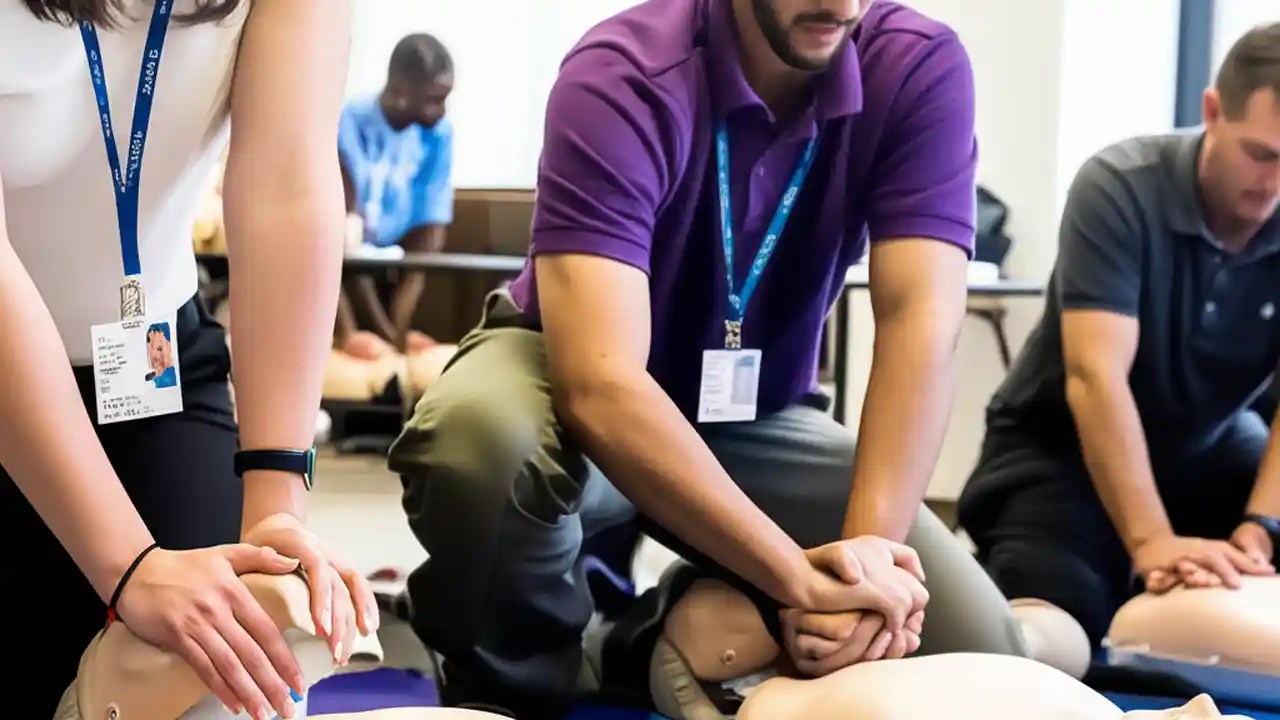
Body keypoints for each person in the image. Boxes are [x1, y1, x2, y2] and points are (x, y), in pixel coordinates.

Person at [388, 0, 1023, 716]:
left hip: (755, 413)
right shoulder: (624, 71)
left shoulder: (916, 65)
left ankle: (645, 633)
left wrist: (862, 569)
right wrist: (794, 580)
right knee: (479, 446)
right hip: (569, 370)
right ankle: (529, 679)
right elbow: (599, 385)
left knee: (982, 653)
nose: (841, 5)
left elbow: (921, 321)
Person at [0, 0, 376, 717]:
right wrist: (129, 567)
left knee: (226, 670)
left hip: (153, 364)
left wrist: (276, 515)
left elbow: (287, 185)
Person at [957, 22, 1280, 652]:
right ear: (1212, 112)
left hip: (1207, 452)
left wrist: (1261, 527)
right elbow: (1094, 379)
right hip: (1060, 451)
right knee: (1062, 623)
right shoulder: (1120, 185)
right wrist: (1151, 542)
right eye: (1262, 154)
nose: (1274, 183)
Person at [336, 32, 455, 359]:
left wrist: (398, 331)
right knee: (340, 231)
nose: (441, 110)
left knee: (432, 234)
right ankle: (351, 332)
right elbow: (348, 225)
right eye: (433, 99)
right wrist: (386, 337)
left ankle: (396, 331)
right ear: (401, 93)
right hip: (348, 256)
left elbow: (430, 221)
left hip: (394, 252)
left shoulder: (439, 135)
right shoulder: (349, 121)